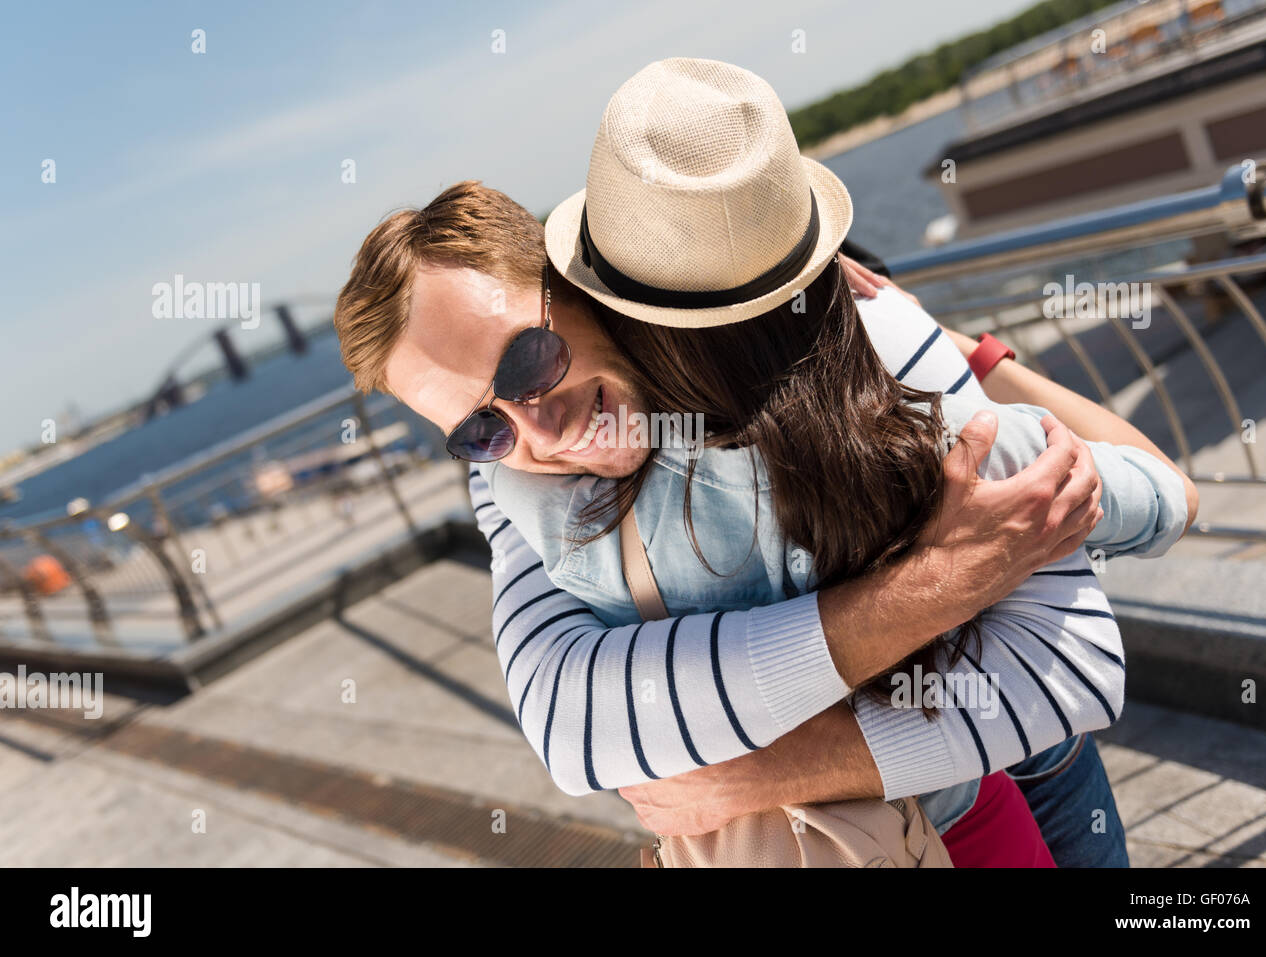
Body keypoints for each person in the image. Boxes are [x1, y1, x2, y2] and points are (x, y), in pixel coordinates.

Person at [333, 61, 1194, 865]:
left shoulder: (875, 337)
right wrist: (944, 576)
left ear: (572, 277)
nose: (536, 423)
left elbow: (1077, 658)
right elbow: (570, 726)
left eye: (526, 360)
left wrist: (747, 773)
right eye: (477, 428)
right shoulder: (522, 483)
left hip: (1025, 778)